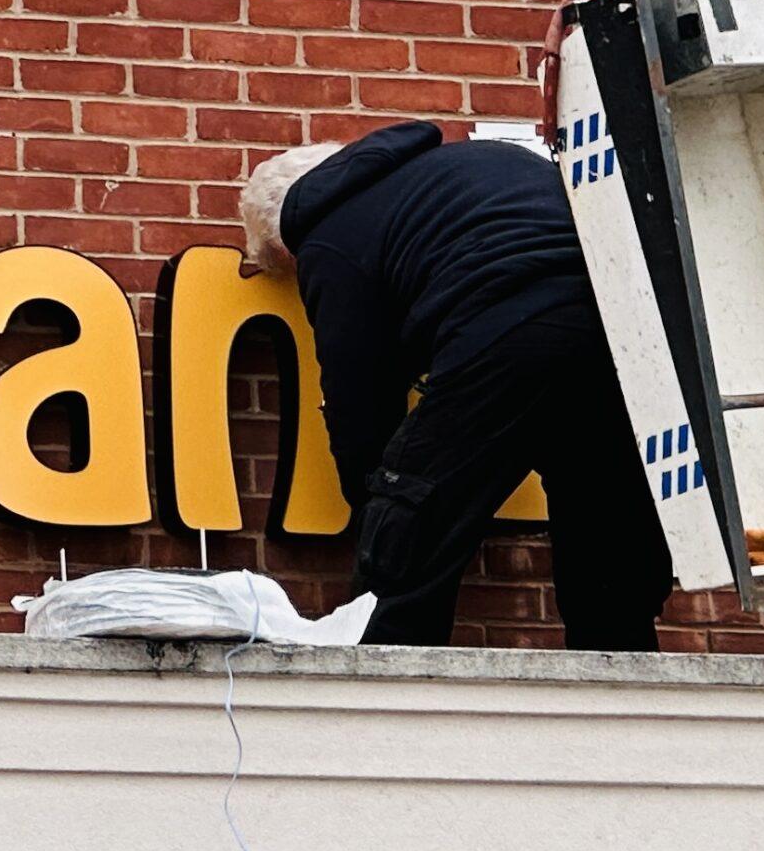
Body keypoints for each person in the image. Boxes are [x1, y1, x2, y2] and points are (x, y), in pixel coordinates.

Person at [237, 121, 673, 650]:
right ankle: (625, 679)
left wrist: (377, 495)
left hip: (510, 321)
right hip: (625, 324)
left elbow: (361, 396)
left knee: (409, 526)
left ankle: (387, 689)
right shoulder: (453, 169)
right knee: (603, 513)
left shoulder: (329, 235)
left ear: (286, 240)